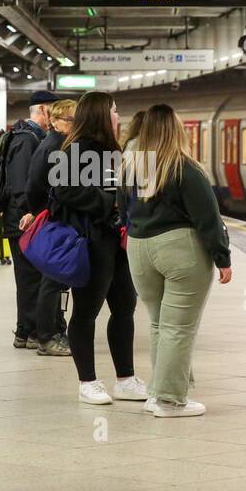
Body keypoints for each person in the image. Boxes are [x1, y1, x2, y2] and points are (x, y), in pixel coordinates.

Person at [126, 104, 233, 417]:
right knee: (178, 328)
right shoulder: (184, 167)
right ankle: (170, 401)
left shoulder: (132, 165)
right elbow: (208, 217)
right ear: (176, 130)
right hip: (178, 249)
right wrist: (222, 256)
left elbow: (121, 209)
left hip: (138, 247)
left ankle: (156, 393)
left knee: (160, 324)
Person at [53, 92, 147, 405]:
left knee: (125, 306)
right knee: (86, 310)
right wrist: (109, 204)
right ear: (101, 115)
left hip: (118, 243)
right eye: (114, 111)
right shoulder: (74, 151)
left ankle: (126, 378)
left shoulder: (114, 151)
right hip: (91, 242)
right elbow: (63, 190)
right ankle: (87, 381)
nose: (118, 116)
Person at [21, 99, 77, 357]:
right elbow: (33, 185)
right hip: (54, 221)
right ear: (55, 120)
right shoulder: (54, 146)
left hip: (54, 219)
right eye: (72, 121)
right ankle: (46, 337)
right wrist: (43, 212)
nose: (75, 126)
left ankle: (52, 331)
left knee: (54, 279)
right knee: (51, 281)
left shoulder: (57, 144)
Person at [2, 90, 56, 349]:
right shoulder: (26, 139)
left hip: (24, 218)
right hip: (22, 220)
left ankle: (26, 330)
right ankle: (29, 331)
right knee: (29, 278)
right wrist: (31, 212)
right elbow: (21, 184)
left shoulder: (29, 136)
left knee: (29, 277)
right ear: (43, 110)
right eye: (53, 111)